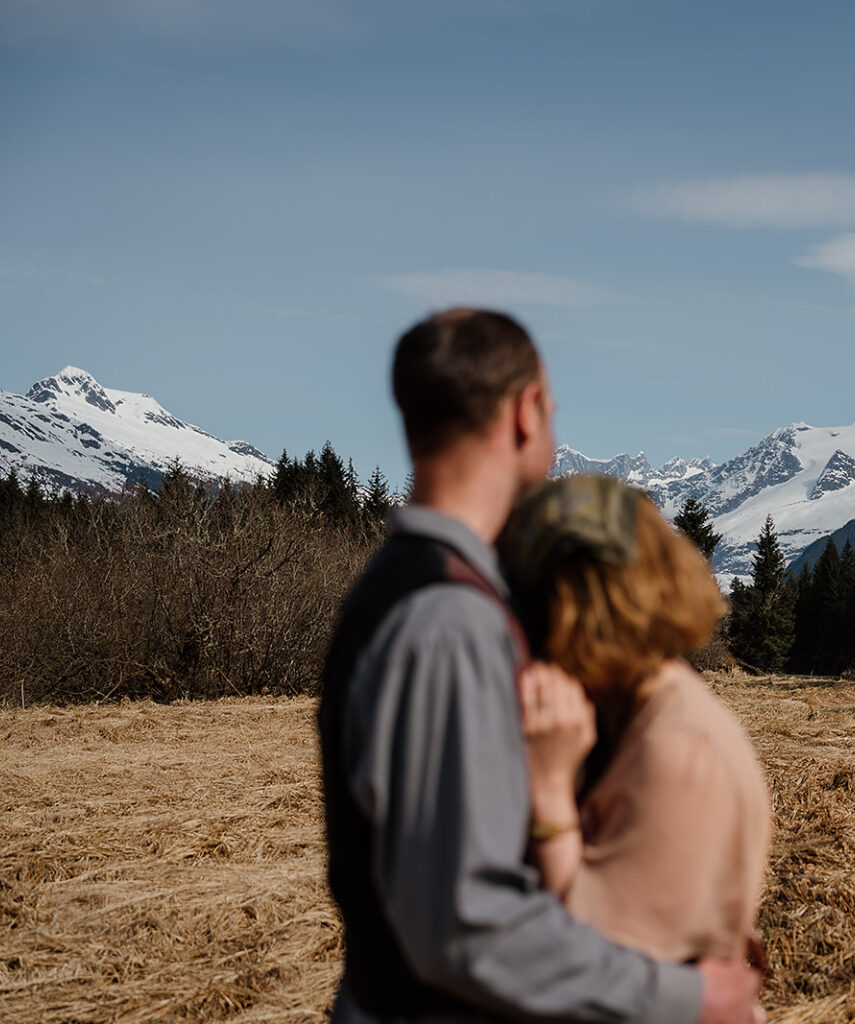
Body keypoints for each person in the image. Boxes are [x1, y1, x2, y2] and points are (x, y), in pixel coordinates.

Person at [317, 308, 762, 1024]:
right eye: (552, 410)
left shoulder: (425, 591)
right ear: (526, 414)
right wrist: (684, 996)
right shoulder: (451, 624)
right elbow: (466, 924)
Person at [497, 475, 771, 968]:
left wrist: (552, 790)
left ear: (577, 611)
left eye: (528, 605)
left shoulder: (679, 750)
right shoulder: (632, 714)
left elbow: (589, 966)